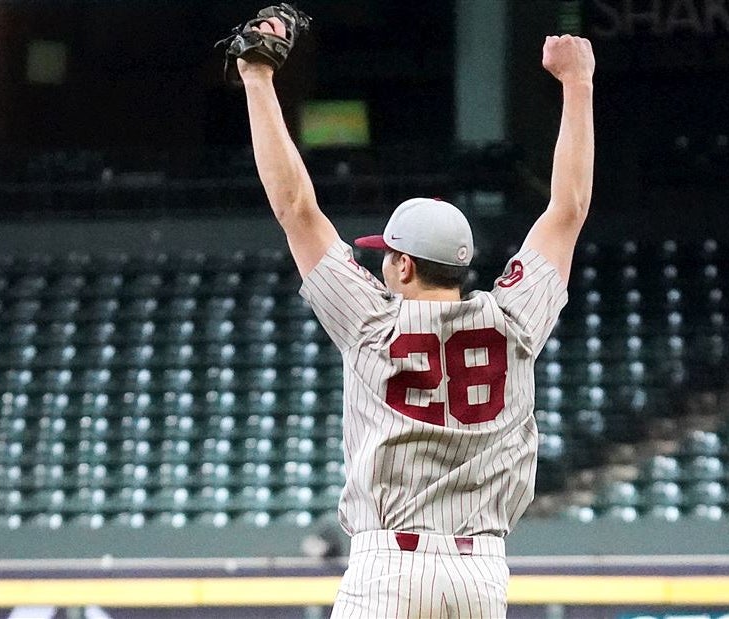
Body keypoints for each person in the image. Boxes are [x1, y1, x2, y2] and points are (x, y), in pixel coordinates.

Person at [237, 14, 594, 619]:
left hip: (390, 567)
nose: (381, 266)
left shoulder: (370, 322)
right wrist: (578, 85)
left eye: (387, 257)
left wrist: (256, 76)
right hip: (480, 572)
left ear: (403, 265)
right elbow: (569, 208)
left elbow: (297, 207)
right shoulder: (515, 321)